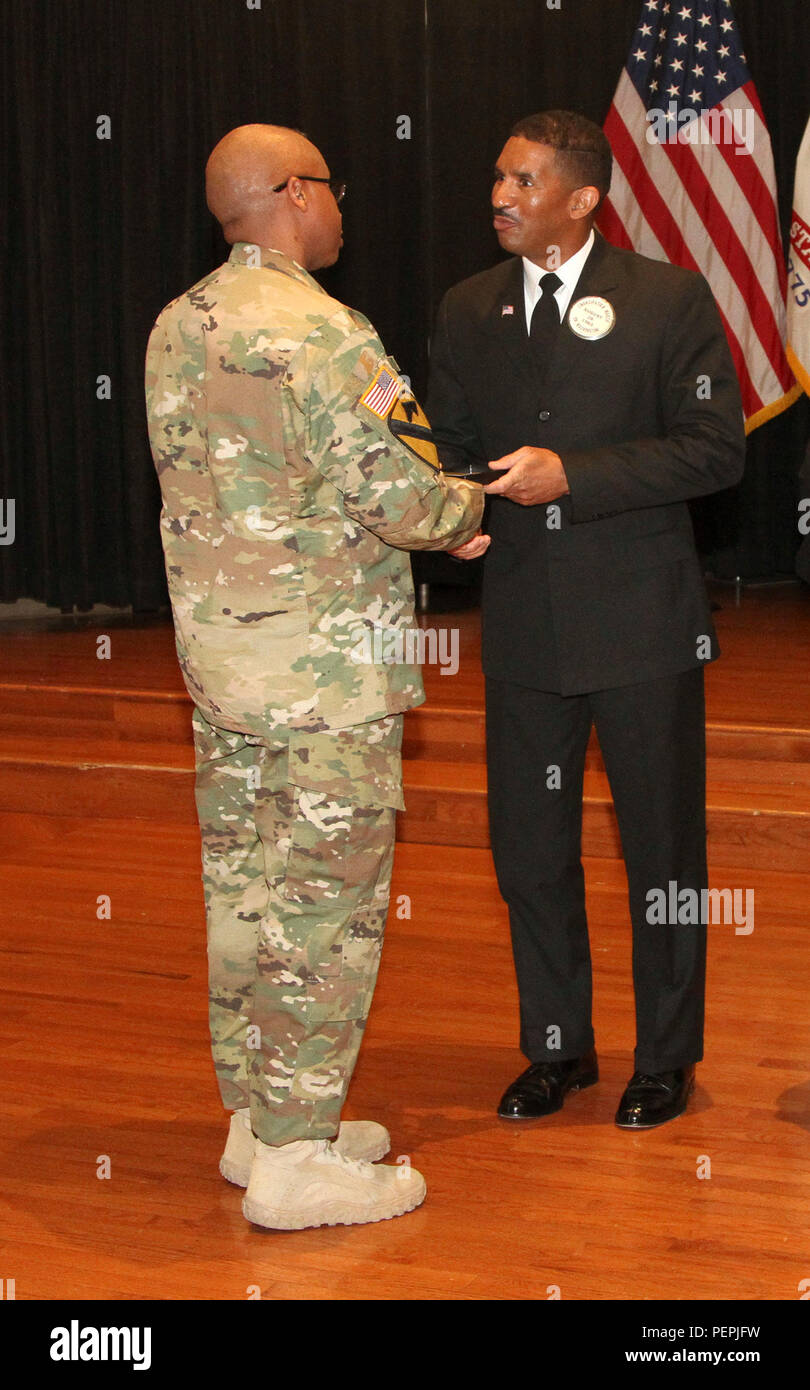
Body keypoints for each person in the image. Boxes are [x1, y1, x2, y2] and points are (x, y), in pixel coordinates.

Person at [144, 124, 483, 1228]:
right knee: (323, 912)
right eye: (331, 189)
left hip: (224, 671)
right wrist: (470, 512)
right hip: (325, 681)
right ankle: (297, 1163)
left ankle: (260, 1119)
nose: (342, 209)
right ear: (293, 194)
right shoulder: (326, 334)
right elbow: (406, 496)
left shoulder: (174, 324)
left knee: (245, 896)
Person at [427, 110, 746, 1129]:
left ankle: (667, 1057)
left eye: (522, 181)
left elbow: (715, 450)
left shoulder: (666, 298)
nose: (499, 197)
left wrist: (579, 476)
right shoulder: (468, 308)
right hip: (524, 624)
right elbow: (455, 449)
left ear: (581, 199)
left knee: (661, 854)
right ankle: (558, 1048)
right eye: (497, 177)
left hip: (643, 625)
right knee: (527, 852)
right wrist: (454, 515)